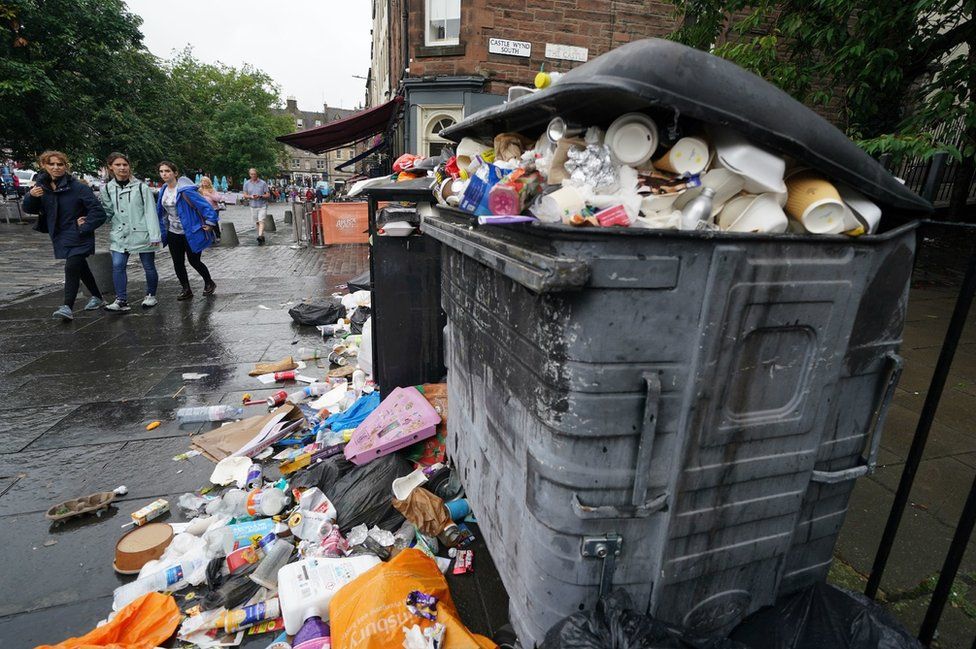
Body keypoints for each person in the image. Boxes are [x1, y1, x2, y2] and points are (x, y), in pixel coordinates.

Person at [23, 150, 107, 321]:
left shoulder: (78, 188)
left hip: (79, 235)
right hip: (59, 235)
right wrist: (31, 196)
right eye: (51, 164)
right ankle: (98, 297)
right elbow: (29, 209)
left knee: (71, 267)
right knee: (80, 267)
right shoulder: (41, 188)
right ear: (43, 165)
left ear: (65, 166)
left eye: (60, 164)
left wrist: (86, 225)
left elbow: (98, 213)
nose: (56, 167)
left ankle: (67, 306)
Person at [99, 152, 161, 311]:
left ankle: (150, 295)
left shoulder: (141, 187)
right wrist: (92, 219)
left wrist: (155, 235)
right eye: (118, 165)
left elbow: (150, 211)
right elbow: (107, 212)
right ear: (111, 168)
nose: (122, 168)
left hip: (142, 233)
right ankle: (121, 299)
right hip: (120, 233)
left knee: (148, 265)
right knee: (118, 265)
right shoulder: (107, 188)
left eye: (125, 165)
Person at [156, 160, 218, 300]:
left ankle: (209, 282)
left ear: (175, 173)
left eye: (167, 171)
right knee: (177, 262)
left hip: (191, 231)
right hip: (173, 232)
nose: (164, 174)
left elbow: (205, 206)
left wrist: (210, 222)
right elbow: (160, 211)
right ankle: (186, 288)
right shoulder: (163, 191)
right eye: (161, 171)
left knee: (194, 260)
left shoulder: (186, 190)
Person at [242, 167, 270, 245]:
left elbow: (268, 194)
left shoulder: (263, 183)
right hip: (253, 205)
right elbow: (244, 195)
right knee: (257, 222)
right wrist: (251, 196)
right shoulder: (247, 183)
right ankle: (261, 235)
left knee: (261, 220)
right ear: (249, 174)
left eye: (254, 174)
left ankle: (260, 236)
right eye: (251, 174)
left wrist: (260, 196)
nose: (253, 175)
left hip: (262, 205)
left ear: (257, 174)